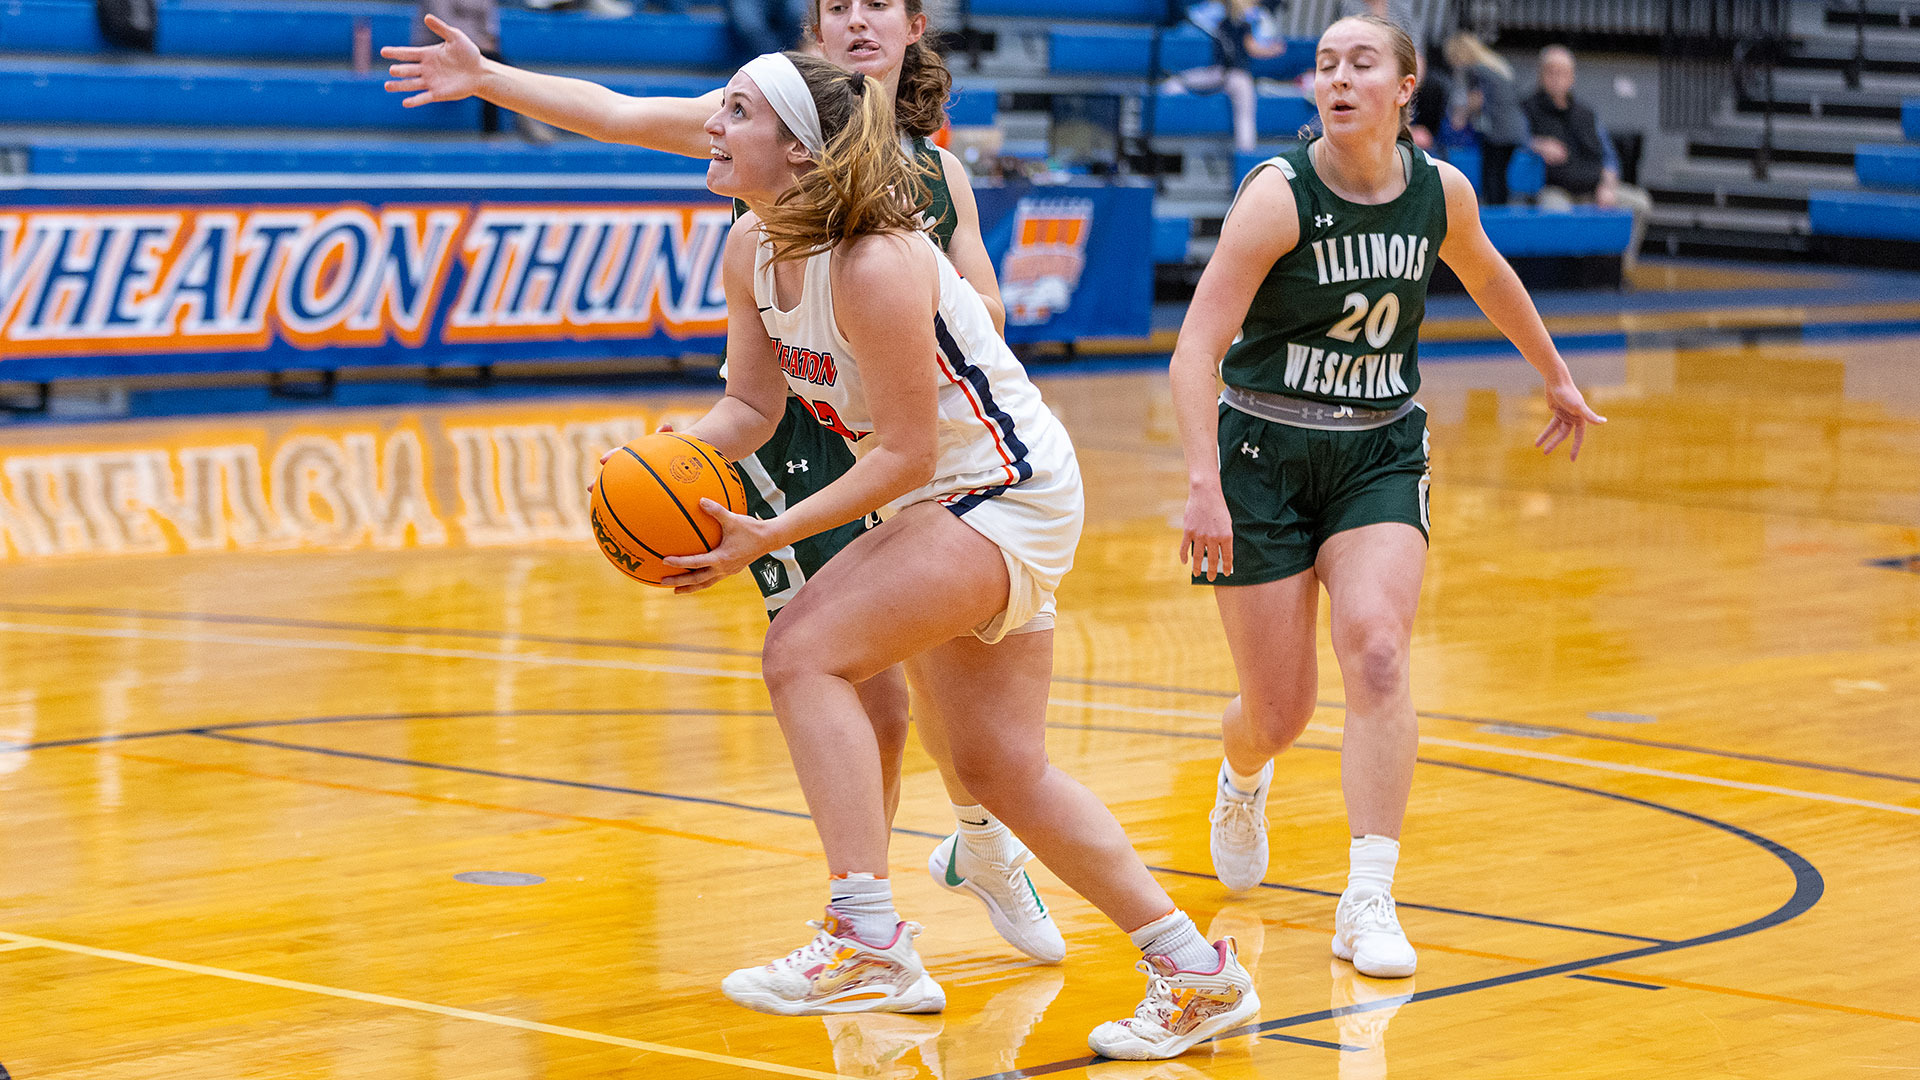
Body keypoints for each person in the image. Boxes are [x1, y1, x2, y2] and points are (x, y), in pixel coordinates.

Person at [382, 0, 1066, 967]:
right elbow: (614, 111)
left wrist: (909, 300)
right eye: (839, 7)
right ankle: (865, 917)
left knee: (941, 676)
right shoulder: (749, 123)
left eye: (880, 6)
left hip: (916, 429)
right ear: (814, 35)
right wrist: (490, 77)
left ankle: (979, 848)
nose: (858, 22)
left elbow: (981, 303)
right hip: (799, 441)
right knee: (860, 688)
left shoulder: (936, 172)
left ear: (916, 28)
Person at [671, 50, 1258, 1057]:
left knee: (803, 654)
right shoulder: (748, 248)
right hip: (955, 492)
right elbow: (754, 406)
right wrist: (664, 459)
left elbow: (901, 453)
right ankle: (1195, 971)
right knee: (998, 767)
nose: (710, 125)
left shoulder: (876, 260)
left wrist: (770, 535)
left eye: (735, 111)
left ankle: (866, 935)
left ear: (802, 150)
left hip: (1003, 489)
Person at [1172, 14, 1605, 980]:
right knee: (1277, 712)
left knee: (1376, 650)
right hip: (1260, 451)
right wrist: (1203, 481)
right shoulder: (1278, 198)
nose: (1339, 78)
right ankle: (1243, 775)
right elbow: (1195, 347)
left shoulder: (1440, 193)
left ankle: (1368, 895)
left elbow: (1487, 274)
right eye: (1326, 65)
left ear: (1405, 87)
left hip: (1375, 451)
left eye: (1362, 64)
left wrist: (1555, 374)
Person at [1523, 45, 1653, 271]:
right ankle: (1564, 275)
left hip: (1593, 187)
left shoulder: (1586, 114)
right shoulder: (1526, 109)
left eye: (1562, 72)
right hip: (1555, 187)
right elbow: (1512, 140)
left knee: (1639, 203)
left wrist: (1607, 186)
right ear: (1541, 75)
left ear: (1571, 77)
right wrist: (1536, 144)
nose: (1556, 78)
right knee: (1556, 213)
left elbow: (1609, 158)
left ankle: (1618, 268)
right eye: (1550, 71)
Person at [1164, 0, 1285, 154]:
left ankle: (1244, 154)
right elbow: (1252, 48)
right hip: (1236, 76)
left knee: (1177, 82)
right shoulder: (1239, 22)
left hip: (1221, 73)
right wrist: (1274, 50)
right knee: (1245, 118)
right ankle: (1245, 154)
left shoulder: (1223, 22)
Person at [1443, 31, 1528, 207]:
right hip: (1515, 128)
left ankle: (1493, 217)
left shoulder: (1474, 70)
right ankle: (1501, 212)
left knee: (1491, 175)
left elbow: (1476, 99)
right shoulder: (1497, 67)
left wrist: (1461, 116)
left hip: (1497, 130)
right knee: (1501, 175)